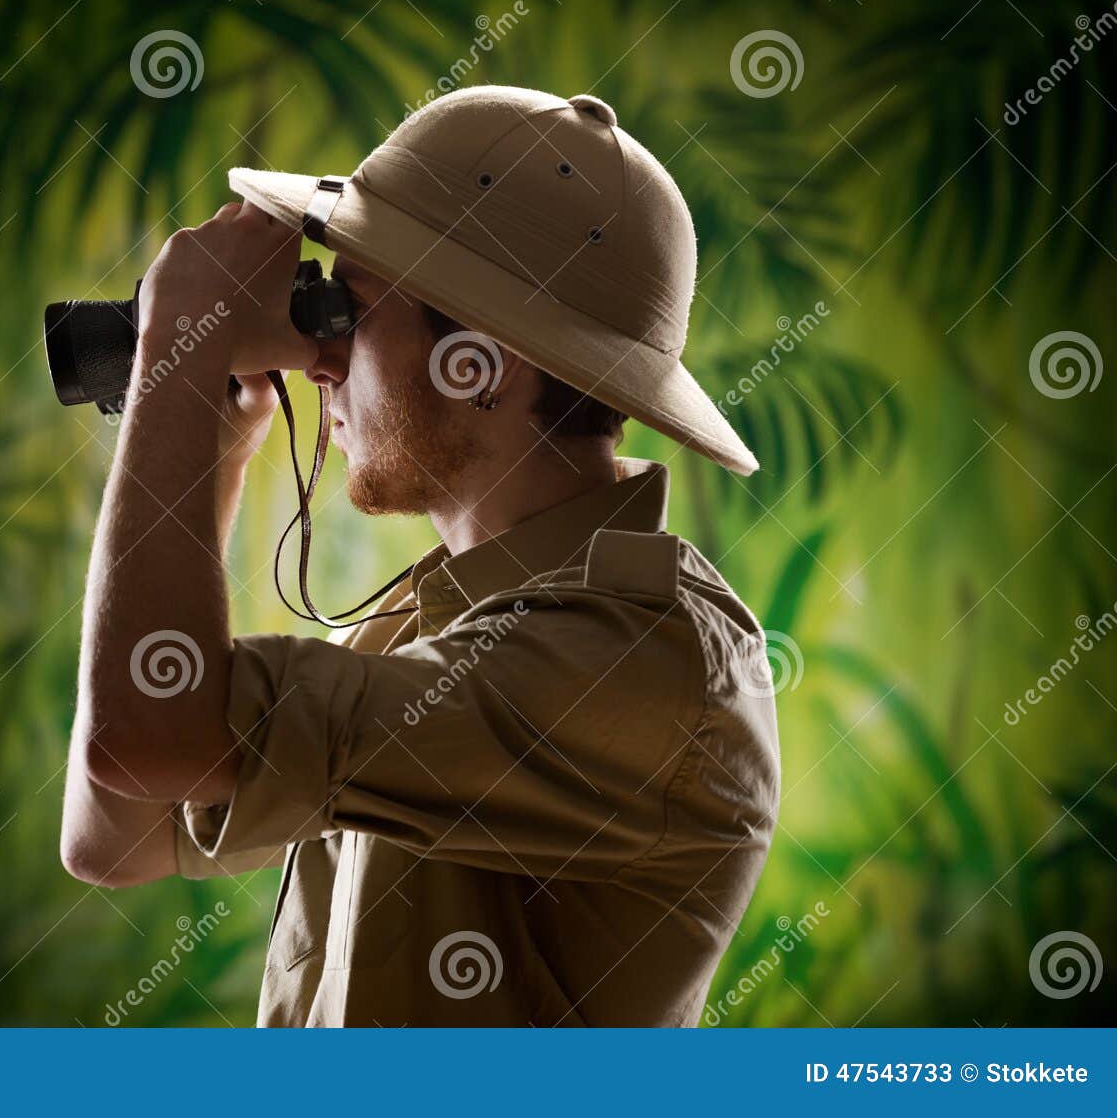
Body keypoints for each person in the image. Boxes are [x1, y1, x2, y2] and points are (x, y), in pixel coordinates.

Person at [59, 85, 781, 1026]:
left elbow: (143, 736)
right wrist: (208, 439)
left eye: (348, 309)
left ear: (487, 363)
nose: (319, 359)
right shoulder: (429, 627)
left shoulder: (642, 660)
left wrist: (176, 354)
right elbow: (119, 834)